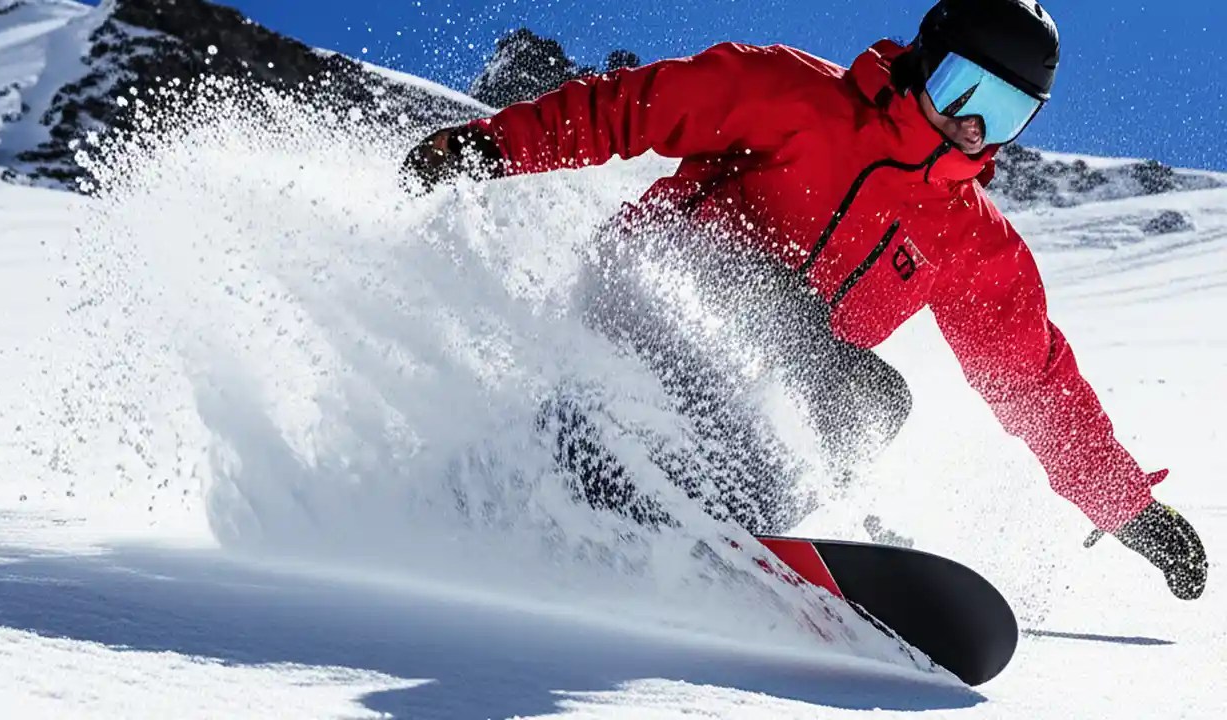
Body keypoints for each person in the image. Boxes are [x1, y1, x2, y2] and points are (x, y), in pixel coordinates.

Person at [400, 0, 1207, 600]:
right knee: (782, 309)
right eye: (966, 91)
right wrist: (487, 147)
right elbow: (630, 107)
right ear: (928, 61)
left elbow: (1035, 384)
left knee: (874, 399)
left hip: (754, 387)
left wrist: (1129, 510)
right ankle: (583, 455)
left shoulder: (972, 240)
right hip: (647, 295)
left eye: (1006, 113)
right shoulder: (796, 95)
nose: (974, 127)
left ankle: (733, 526)